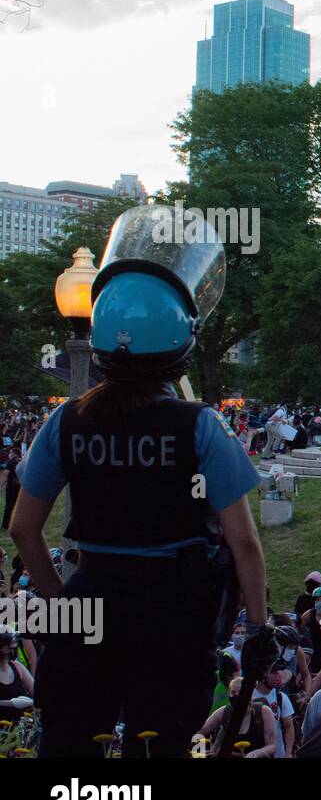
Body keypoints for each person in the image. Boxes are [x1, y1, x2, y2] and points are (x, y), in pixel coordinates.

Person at [5, 207, 271, 758]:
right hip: (173, 615)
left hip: (90, 598)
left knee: (71, 748)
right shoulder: (201, 425)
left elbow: (23, 530)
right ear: (181, 340)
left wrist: (59, 606)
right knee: (161, 745)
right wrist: (260, 629)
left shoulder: (65, 420)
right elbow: (244, 543)